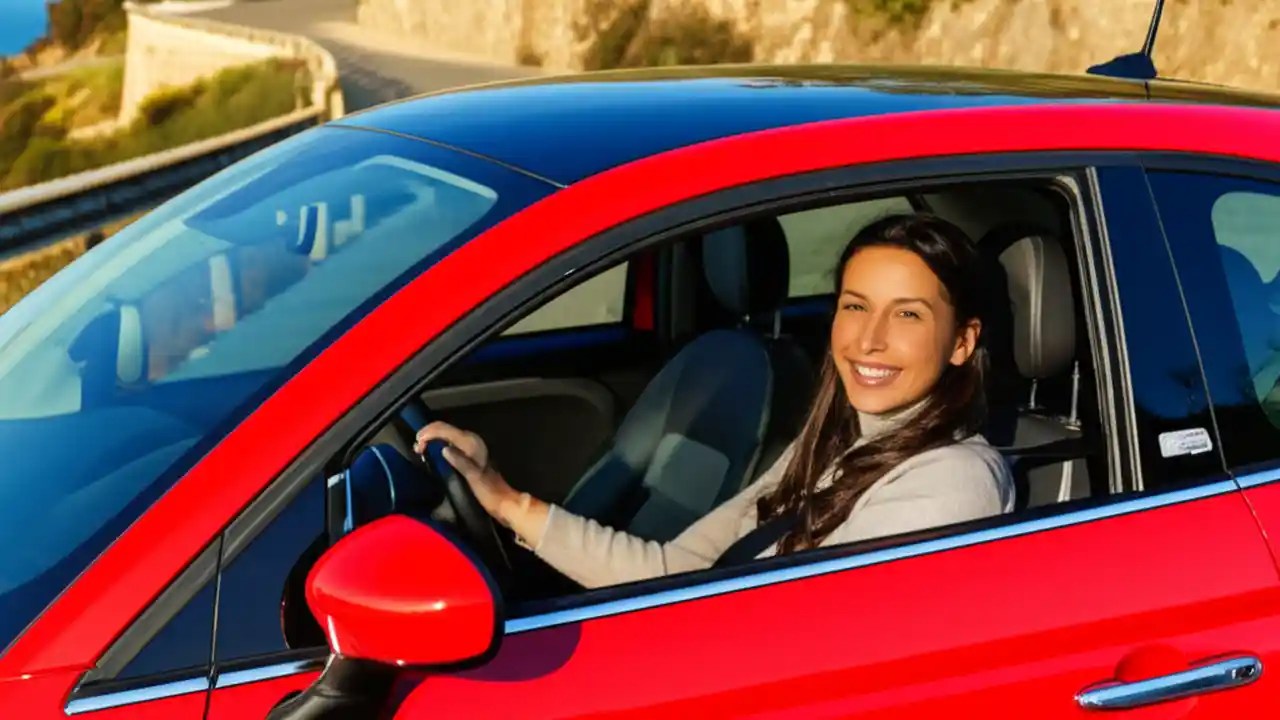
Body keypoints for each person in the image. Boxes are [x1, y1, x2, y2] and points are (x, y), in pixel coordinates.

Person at [415, 214, 1015, 589]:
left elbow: (805, 647)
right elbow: (678, 575)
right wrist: (505, 501)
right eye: (855, 305)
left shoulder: (953, 482)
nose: (869, 339)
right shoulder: (836, 441)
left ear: (962, 342)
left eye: (908, 314)